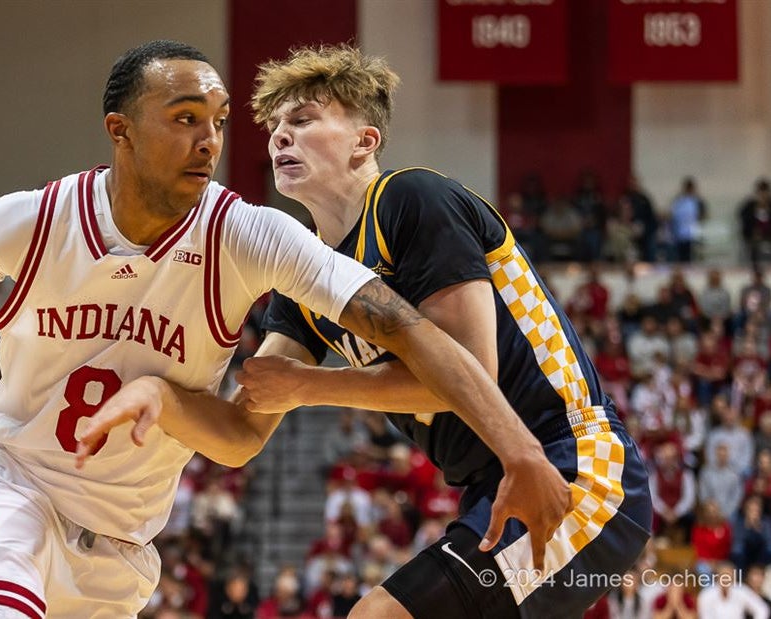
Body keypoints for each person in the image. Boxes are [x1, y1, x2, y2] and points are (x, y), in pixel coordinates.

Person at [0, 40, 568, 617]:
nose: (210, 140)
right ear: (120, 129)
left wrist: (520, 450)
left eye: (219, 123)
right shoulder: (28, 221)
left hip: (123, 546)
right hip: (14, 490)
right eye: (186, 118)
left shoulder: (252, 235)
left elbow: (406, 327)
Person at [82, 45, 646, 618]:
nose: (279, 137)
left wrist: (309, 387)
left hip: (575, 465)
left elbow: (467, 373)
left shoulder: (411, 199)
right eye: (274, 126)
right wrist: (158, 393)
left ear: (365, 141)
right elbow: (240, 435)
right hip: (491, 486)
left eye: (302, 121)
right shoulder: (305, 270)